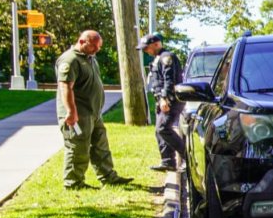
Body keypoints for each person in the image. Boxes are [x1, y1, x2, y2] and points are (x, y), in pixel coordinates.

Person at [56, 30, 131, 190]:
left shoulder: (89, 59)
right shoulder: (70, 60)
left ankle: (108, 177)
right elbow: (65, 87)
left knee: (100, 145)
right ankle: (73, 183)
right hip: (78, 114)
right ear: (82, 42)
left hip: (94, 113)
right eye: (94, 47)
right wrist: (71, 111)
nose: (97, 50)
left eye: (99, 47)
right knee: (78, 147)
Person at [140, 33, 184, 171]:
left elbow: (170, 80)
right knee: (159, 131)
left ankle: (187, 156)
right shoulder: (158, 58)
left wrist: (165, 98)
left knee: (163, 128)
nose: (145, 51)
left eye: (147, 47)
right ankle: (167, 161)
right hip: (161, 100)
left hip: (170, 100)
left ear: (156, 44)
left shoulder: (167, 58)